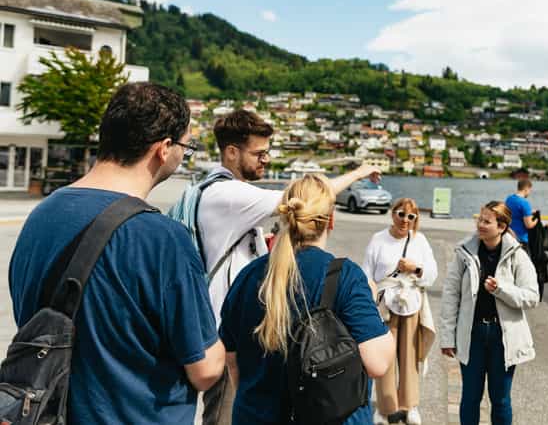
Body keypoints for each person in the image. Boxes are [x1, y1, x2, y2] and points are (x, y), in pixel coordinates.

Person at [8, 83, 224, 423]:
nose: (186, 155)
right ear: (164, 149)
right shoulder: (164, 239)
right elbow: (205, 370)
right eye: (188, 146)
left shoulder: (41, 215)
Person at [195, 109, 383, 425]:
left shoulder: (216, 195)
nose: (265, 159)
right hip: (241, 332)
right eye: (259, 153)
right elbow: (307, 200)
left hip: (239, 336)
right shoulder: (229, 195)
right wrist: (358, 173)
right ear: (231, 152)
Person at [219, 174, 395, 425]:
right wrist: (373, 300)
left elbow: (233, 363)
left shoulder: (247, 276)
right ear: (330, 220)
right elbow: (378, 362)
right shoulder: (346, 276)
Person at [440, 201, 539, 425]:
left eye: (487, 221)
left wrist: (500, 290)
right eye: (480, 219)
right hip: (472, 333)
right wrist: (447, 336)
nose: (480, 225)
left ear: (502, 226)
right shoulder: (464, 252)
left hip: (503, 336)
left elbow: (532, 296)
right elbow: (450, 295)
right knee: (470, 398)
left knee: (501, 400)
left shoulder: (517, 255)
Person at [362, 198, 438, 425]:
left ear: (416, 219)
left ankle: (409, 405)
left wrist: (414, 268)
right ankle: (385, 408)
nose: (405, 220)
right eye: (401, 214)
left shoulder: (420, 240)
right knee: (383, 357)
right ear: (392, 214)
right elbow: (366, 273)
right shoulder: (378, 239)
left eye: (411, 216)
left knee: (409, 357)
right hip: (385, 304)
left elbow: (432, 274)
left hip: (411, 303)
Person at [504, 179, 538, 253]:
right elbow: (529, 225)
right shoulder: (524, 203)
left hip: (509, 236)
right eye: (530, 190)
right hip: (521, 239)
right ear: (526, 189)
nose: (529, 193)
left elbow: (514, 212)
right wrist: (536, 220)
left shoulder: (509, 199)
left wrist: (530, 212)